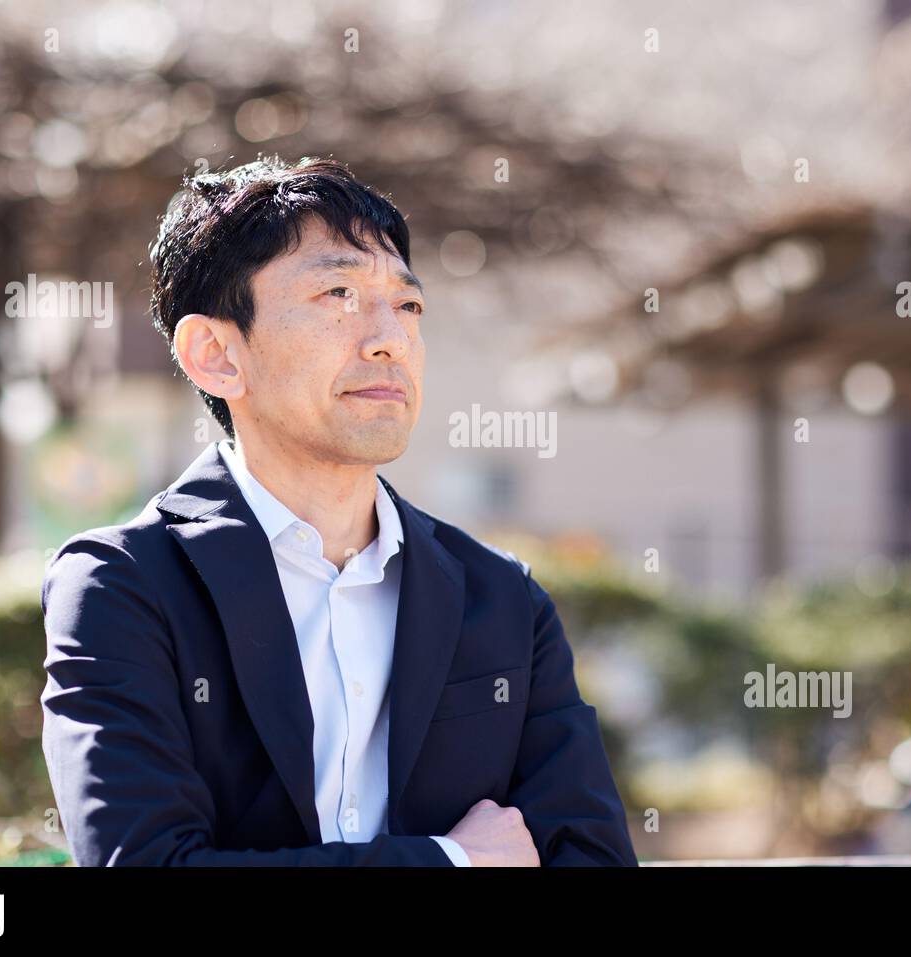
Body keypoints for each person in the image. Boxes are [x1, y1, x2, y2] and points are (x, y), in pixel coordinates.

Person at [40, 155, 638, 866]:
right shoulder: (123, 586)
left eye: (408, 305)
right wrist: (453, 861)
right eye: (339, 294)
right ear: (216, 355)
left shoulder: (503, 598)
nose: (390, 337)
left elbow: (590, 855)